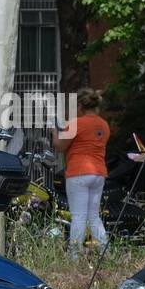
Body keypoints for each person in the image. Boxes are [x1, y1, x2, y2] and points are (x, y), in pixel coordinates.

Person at [55, 88, 110, 256]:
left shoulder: (77, 123)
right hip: (98, 172)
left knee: (78, 216)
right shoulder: (104, 124)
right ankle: (105, 254)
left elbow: (59, 146)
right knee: (94, 216)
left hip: (78, 172)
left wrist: (54, 128)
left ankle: (74, 257)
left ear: (80, 106)